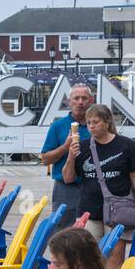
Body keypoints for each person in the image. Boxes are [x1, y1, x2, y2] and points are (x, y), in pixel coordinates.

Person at [64, 103, 135, 269]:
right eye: (88, 123)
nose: (91, 126)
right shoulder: (83, 146)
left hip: (118, 209)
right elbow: (68, 178)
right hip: (89, 209)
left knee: (116, 256)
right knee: (87, 256)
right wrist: (71, 157)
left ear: (107, 122)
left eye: (95, 122)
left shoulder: (125, 144)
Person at [39, 83, 94, 227]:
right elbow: (45, 159)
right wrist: (65, 146)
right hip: (65, 188)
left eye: (84, 98)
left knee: (92, 231)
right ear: (69, 101)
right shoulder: (58, 126)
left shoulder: (96, 125)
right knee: (63, 232)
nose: (80, 102)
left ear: (91, 101)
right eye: (76, 98)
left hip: (93, 186)